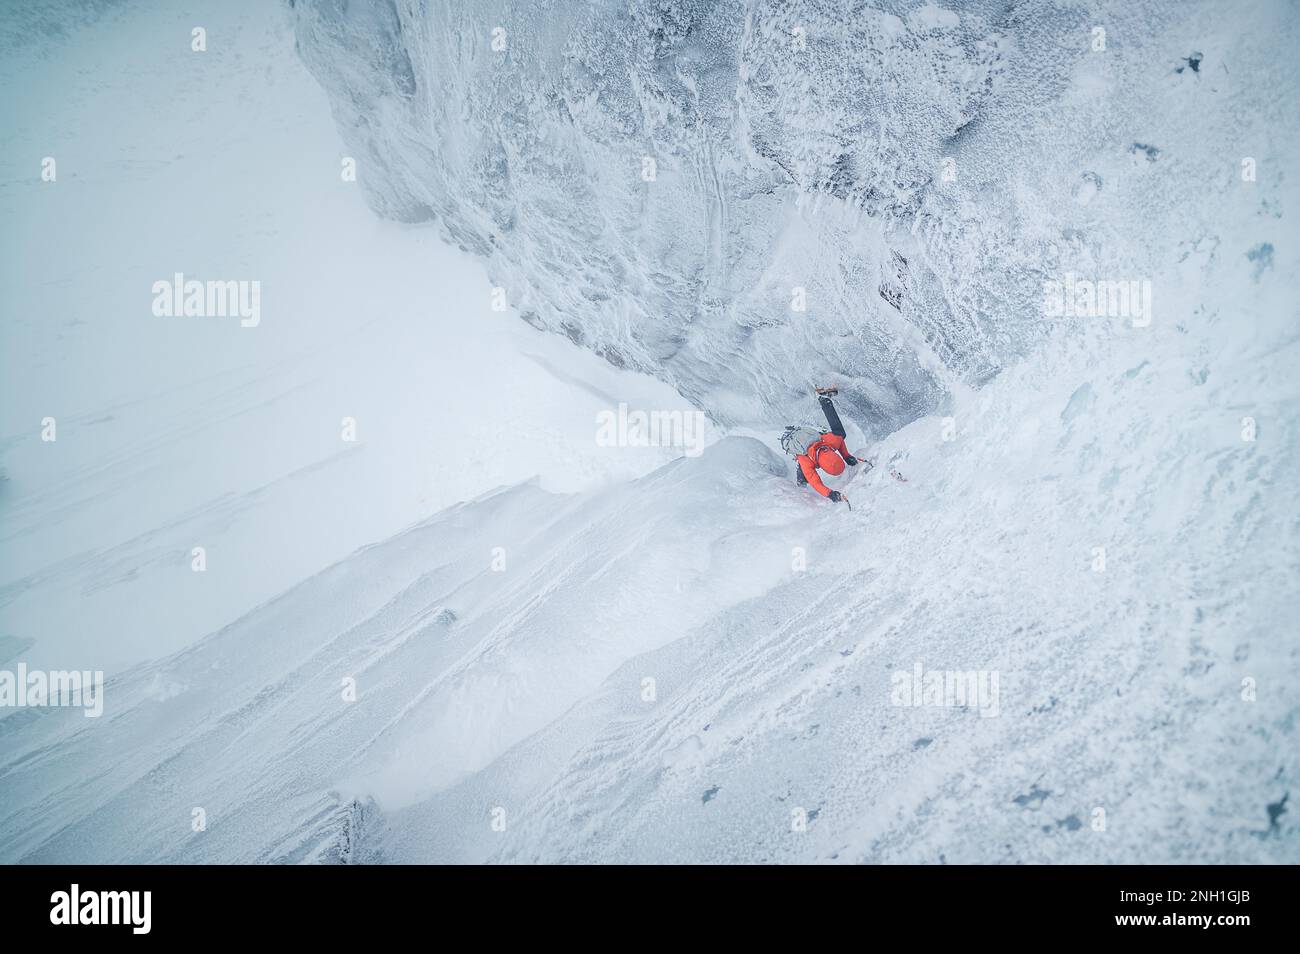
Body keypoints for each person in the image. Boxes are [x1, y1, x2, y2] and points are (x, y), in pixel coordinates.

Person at [784, 388, 859, 503]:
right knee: (803, 477)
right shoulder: (806, 462)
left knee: (840, 434)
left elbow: (839, 440)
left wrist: (846, 456)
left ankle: (824, 400)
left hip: (816, 439)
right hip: (801, 448)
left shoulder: (832, 442)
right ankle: (800, 485)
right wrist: (830, 494)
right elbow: (816, 483)